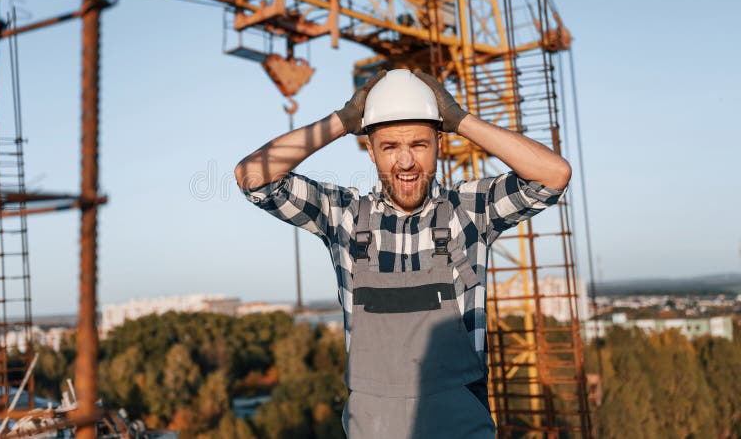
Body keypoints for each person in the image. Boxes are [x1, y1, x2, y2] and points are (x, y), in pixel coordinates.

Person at [234, 68, 571, 439]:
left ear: (440, 143)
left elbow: (552, 175)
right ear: (370, 149)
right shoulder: (343, 216)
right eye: (390, 147)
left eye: (419, 145)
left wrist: (461, 120)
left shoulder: (470, 211)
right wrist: (342, 121)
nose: (406, 162)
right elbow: (254, 177)